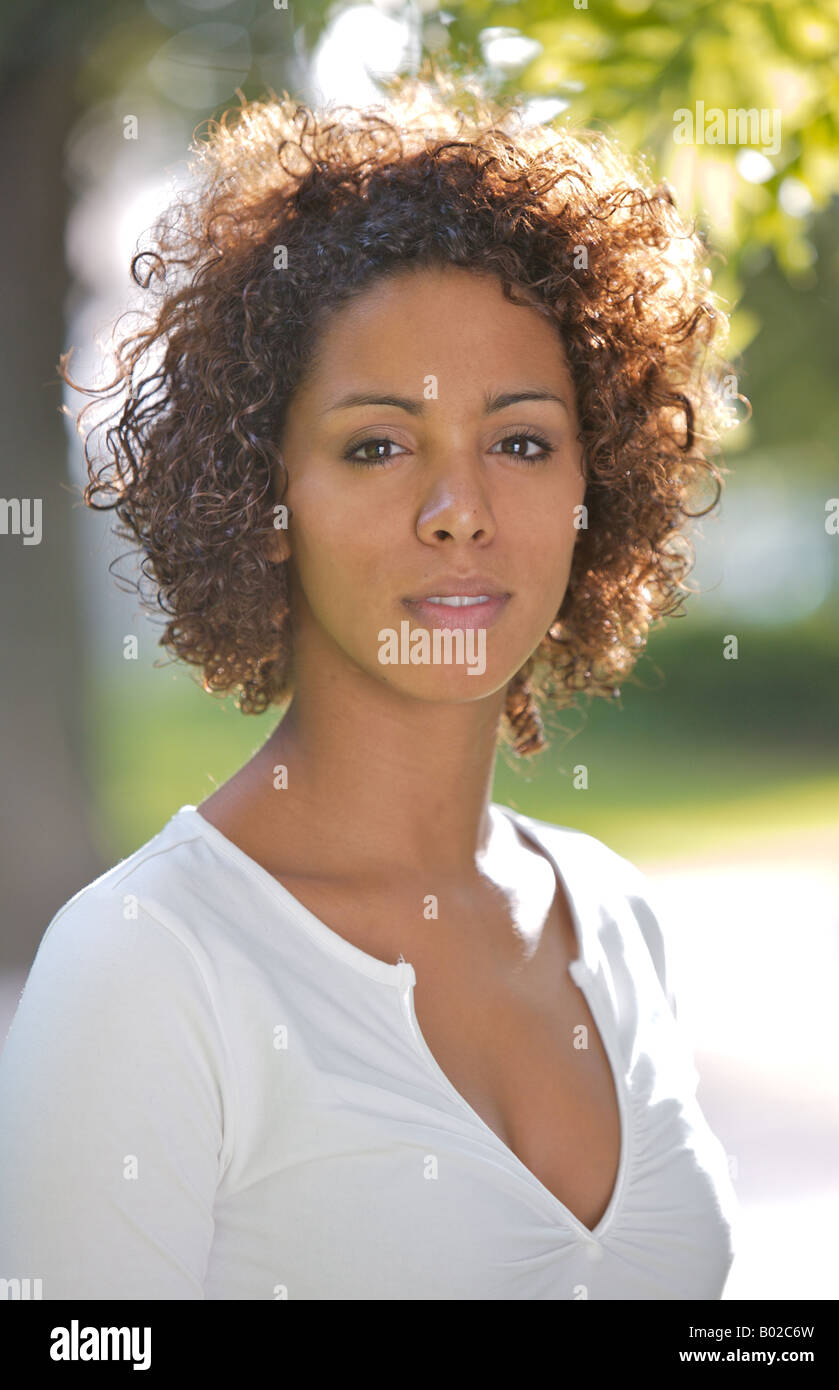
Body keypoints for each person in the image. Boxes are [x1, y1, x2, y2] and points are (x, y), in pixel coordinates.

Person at [0, 72, 740, 1300]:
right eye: (378, 445)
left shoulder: (614, 920)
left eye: (519, 441)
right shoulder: (149, 970)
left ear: (589, 485)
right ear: (266, 499)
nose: (459, 514)